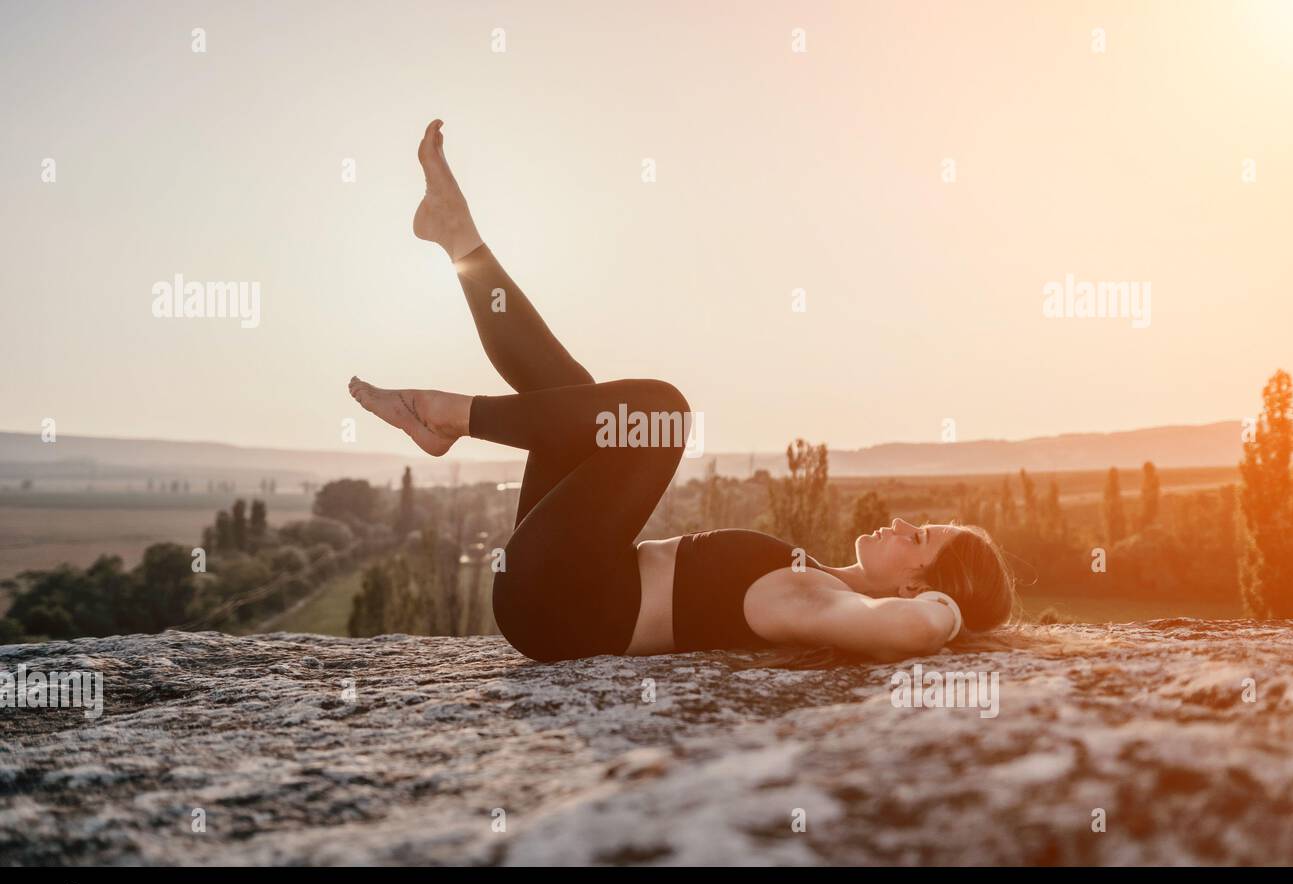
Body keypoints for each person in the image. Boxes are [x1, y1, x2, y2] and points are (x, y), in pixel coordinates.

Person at [350, 120, 1015, 664]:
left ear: (913, 583)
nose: (902, 522)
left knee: (662, 416)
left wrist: (949, 610)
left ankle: (451, 416)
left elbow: (906, 632)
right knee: (577, 400)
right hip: (560, 584)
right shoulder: (820, 578)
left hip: (557, 601)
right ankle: (455, 233)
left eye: (920, 535)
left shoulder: (816, 598)